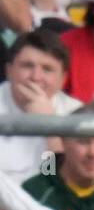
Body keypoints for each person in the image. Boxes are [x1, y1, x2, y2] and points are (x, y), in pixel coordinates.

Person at [0, 28, 80, 184]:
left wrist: (49, 128)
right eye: (27, 66)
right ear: (9, 70)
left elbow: (55, 180)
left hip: (48, 203)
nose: (36, 77)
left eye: (47, 69)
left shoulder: (76, 113)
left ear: (63, 78)